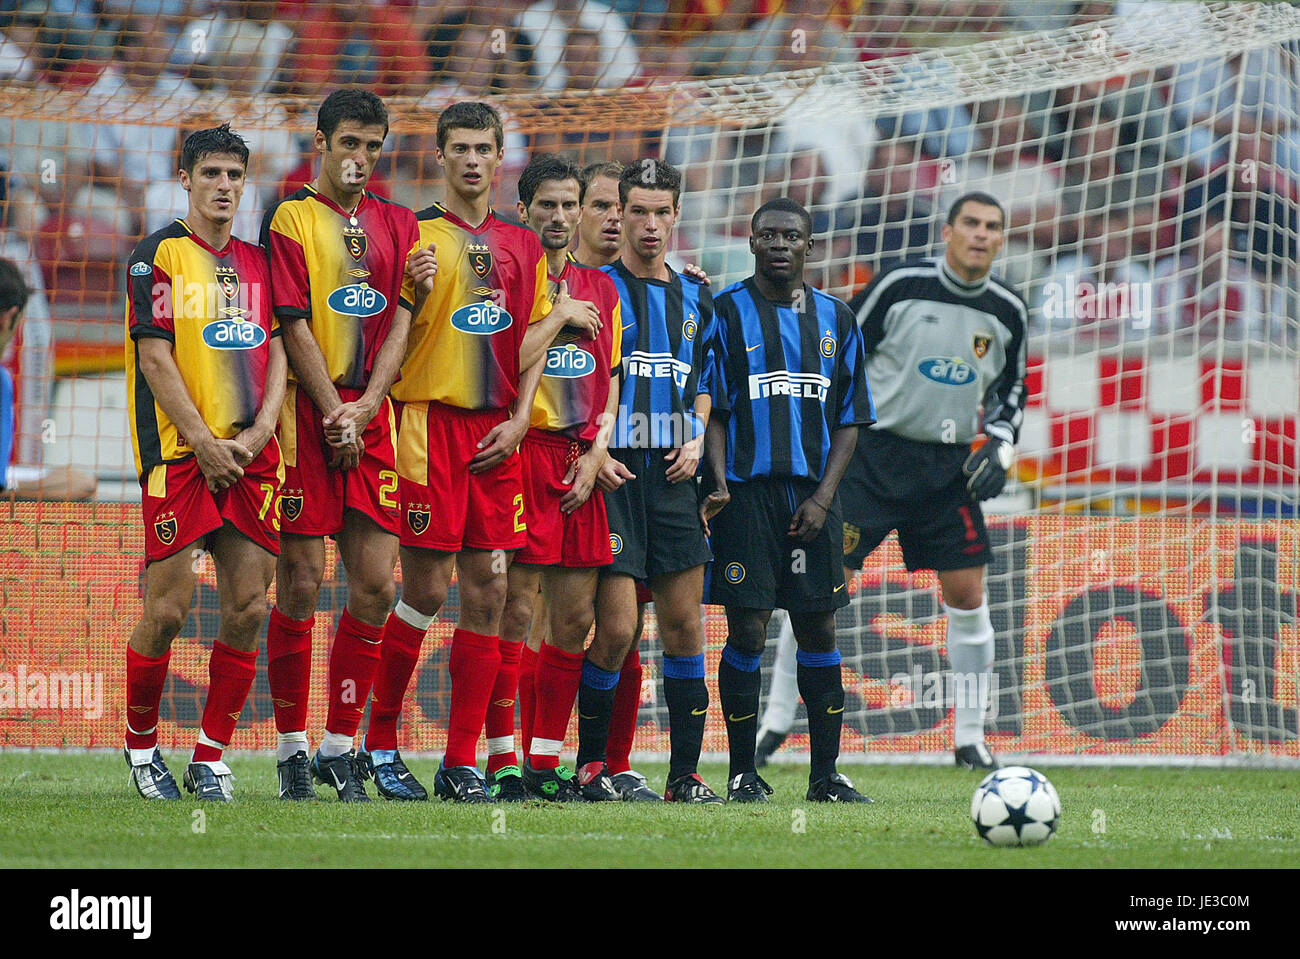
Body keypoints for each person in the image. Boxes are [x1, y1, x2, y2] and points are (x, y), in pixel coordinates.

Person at [357, 102, 598, 803]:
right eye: (458, 147)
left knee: (491, 591)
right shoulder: (412, 235)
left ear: (500, 159)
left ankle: (461, 761)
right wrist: (410, 287)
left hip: (499, 435)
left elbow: (527, 349)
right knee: (429, 589)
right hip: (430, 427)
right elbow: (387, 340)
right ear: (439, 156)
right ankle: (379, 741)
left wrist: (523, 418)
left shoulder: (521, 246)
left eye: (483, 148)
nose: (470, 159)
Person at [755, 191, 1029, 772]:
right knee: (820, 592)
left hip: (948, 467)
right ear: (950, 231)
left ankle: (970, 739)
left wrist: (1002, 442)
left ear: (1001, 238)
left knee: (968, 594)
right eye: (971, 223)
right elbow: (843, 351)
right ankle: (775, 723)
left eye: (992, 226)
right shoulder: (899, 285)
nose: (981, 234)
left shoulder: (1008, 309)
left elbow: (1013, 388)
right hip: (871, 460)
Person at [261, 89, 429, 802]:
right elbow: (293, 323)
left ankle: (339, 742)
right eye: (349, 143)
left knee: (375, 585)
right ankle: (291, 746)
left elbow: (401, 323)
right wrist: (336, 412)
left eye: (372, 145)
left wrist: (365, 409)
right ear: (322, 143)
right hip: (308, 413)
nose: (360, 157)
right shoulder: (291, 217)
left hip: (373, 414)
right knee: (300, 580)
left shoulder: (399, 224)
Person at [121, 125, 286, 801]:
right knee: (168, 608)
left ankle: (209, 754)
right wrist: (205, 441)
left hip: (252, 452)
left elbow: (279, 346)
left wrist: (266, 425)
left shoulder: (258, 262)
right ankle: (139, 747)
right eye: (210, 173)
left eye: (233, 175)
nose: (223, 186)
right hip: (182, 454)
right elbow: (155, 356)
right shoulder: (155, 254)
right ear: (183, 177)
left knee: (248, 604)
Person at [701, 197, 874, 803]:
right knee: (746, 629)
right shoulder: (723, 313)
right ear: (751, 241)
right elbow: (714, 410)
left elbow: (851, 419)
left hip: (812, 499)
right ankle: (743, 773)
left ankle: (825, 776)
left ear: (809, 245)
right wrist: (718, 482)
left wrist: (825, 499)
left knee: (818, 629)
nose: (779, 244)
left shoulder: (838, 319)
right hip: (746, 496)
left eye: (791, 236)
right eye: (768, 234)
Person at [579, 158, 722, 804]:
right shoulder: (595, 289)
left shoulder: (697, 294)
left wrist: (696, 437)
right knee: (614, 628)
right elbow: (574, 378)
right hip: (615, 477)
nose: (649, 223)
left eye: (662, 212)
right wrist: (593, 448)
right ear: (619, 214)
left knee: (686, 626)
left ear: (677, 216)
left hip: (672, 477)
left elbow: (705, 383)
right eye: (636, 210)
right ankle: (591, 767)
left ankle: (685, 776)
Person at [497, 154, 622, 802]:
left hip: (580, 461)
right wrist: (557, 316)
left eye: (569, 204)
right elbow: (505, 361)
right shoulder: (507, 277)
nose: (560, 215)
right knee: (517, 610)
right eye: (546, 204)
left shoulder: (604, 287)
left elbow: (615, 378)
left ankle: (545, 764)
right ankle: (505, 761)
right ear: (523, 210)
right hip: (523, 453)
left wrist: (599, 453)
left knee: (573, 620)